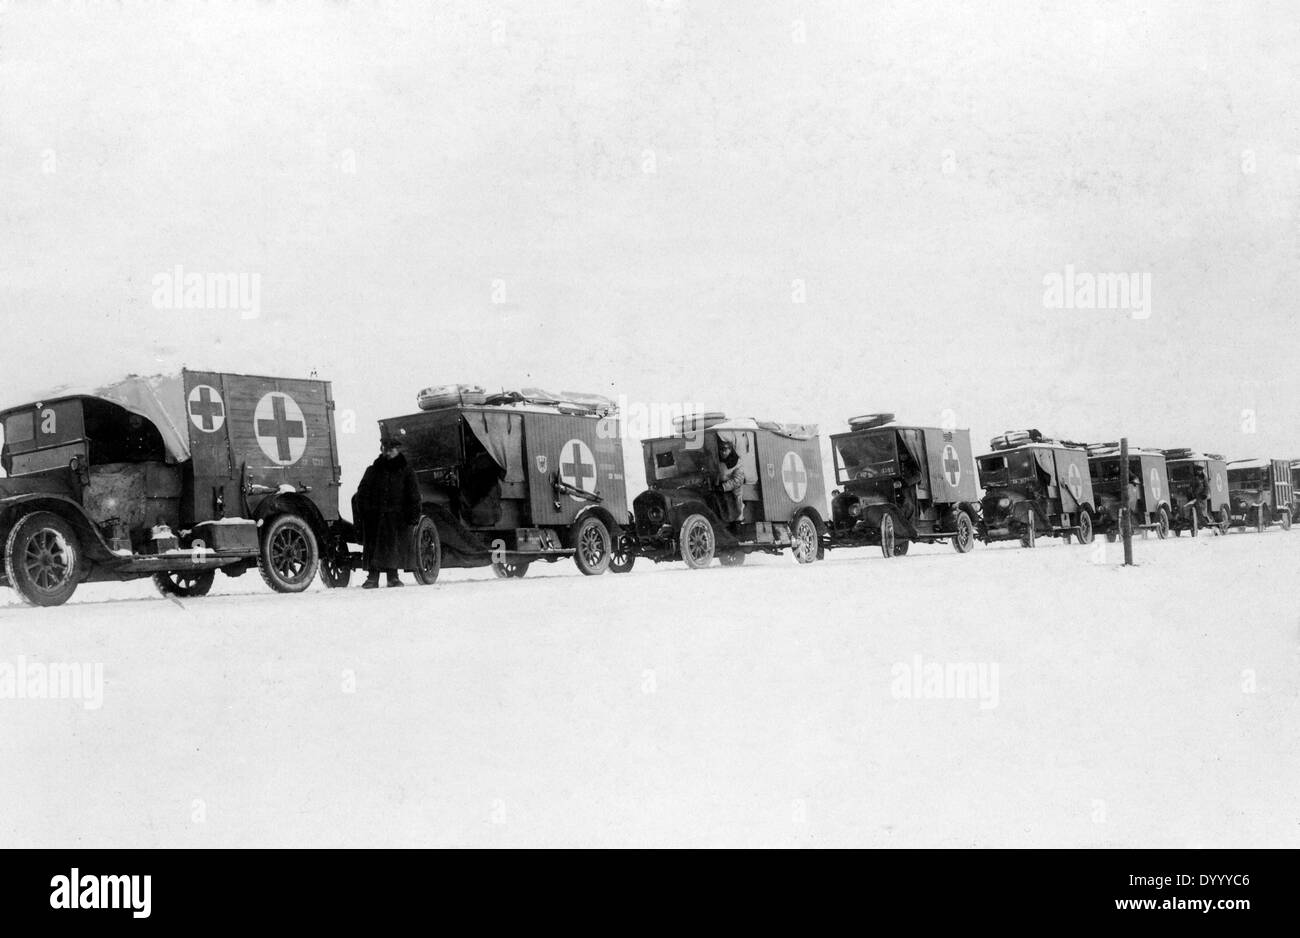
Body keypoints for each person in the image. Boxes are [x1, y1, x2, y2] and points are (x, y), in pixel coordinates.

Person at [355, 434, 421, 588]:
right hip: (375, 517)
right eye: (385, 449)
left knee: (393, 548)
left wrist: (413, 515)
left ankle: (393, 577)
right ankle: (372, 578)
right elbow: (362, 492)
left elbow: (414, 495)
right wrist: (366, 511)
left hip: (397, 518)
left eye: (391, 449)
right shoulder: (373, 470)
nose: (388, 452)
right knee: (373, 547)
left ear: (398, 450)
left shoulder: (406, 471)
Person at [716, 437, 745, 524]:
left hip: (732, 490)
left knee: (736, 504)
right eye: (721, 449)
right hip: (719, 489)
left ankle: (737, 523)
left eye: (725, 449)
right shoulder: (716, 461)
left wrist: (723, 487)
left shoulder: (737, 462)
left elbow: (738, 481)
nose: (723, 452)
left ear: (730, 449)